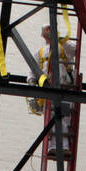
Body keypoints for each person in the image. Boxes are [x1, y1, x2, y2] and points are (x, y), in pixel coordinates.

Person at [32, 24, 78, 156]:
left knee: (64, 117)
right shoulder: (40, 52)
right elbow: (33, 69)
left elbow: (74, 49)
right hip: (49, 88)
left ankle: (64, 146)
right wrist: (31, 81)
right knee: (52, 117)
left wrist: (59, 38)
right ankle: (52, 146)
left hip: (65, 87)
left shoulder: (63, 47)